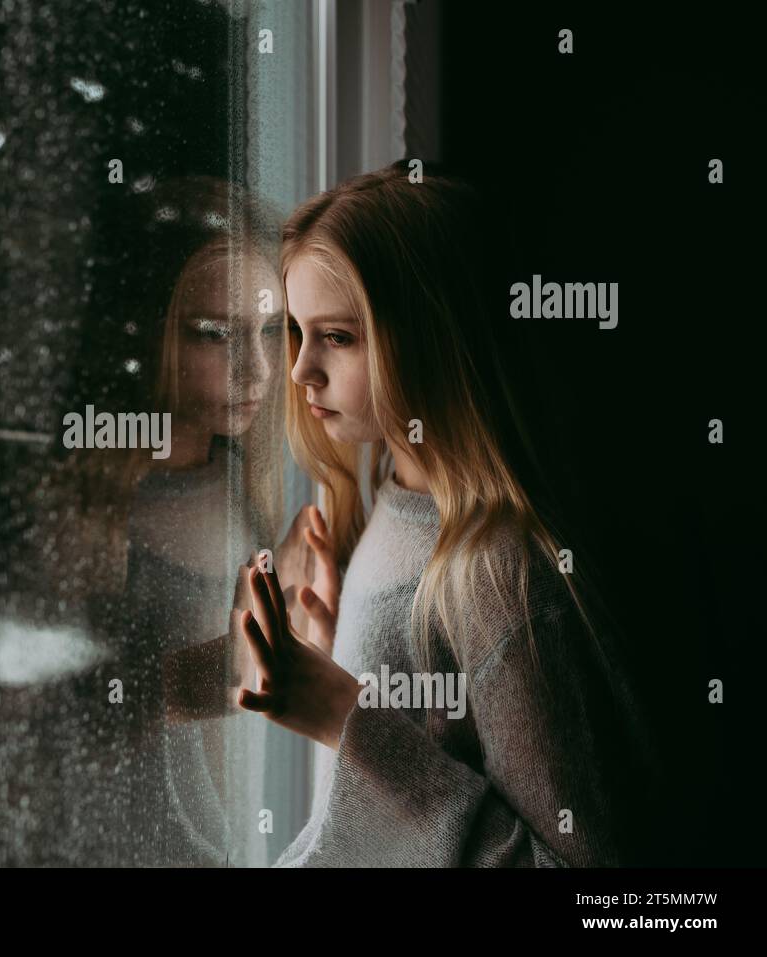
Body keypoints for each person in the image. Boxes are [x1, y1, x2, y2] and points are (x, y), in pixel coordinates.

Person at [235, 159, 656, 867]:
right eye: (298, 334)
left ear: (434, 337)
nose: (302, 369)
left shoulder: (501, 575)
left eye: (338, 336)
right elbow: (435, 764)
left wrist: (347, 715)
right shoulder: (396, 501)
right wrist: (357, 666)